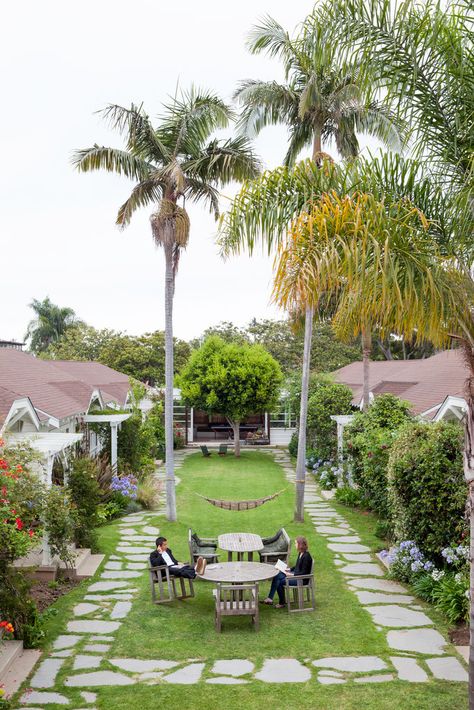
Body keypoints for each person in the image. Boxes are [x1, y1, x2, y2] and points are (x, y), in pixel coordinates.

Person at [262, 536, 312, 608]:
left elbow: (303, 573)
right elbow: (298, 566)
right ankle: (270, 598)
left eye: (296, 543)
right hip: (296, 575)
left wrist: (291, 575)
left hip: (301, 579)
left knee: (281, 582)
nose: (295, 545)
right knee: (278, 575)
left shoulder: (306, 556)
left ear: (300, 545)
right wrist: (289, 569)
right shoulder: (301, 553)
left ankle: (282, 603)